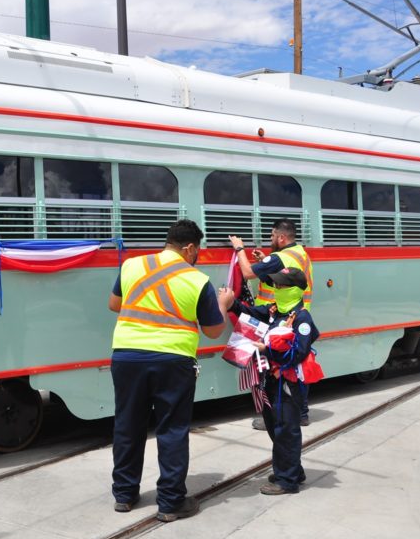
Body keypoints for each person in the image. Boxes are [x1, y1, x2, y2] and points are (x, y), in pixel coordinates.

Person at [108, 219, 225, 522]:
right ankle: (171, 502)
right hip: (173, 360)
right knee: (171, 429)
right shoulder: (197, 280)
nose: (197, 255)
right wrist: (224, 303)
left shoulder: (132, 265)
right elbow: (214, 331)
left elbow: (114, 304)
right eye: (197, 250)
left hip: (127, 355)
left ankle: (124, 494)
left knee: (127, 424)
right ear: (188, 248)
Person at [217, 268, 320, 495]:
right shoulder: (274, 311)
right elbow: (250, 312)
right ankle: (292, 470)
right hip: (270, 381)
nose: (277, 290)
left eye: (282, 286)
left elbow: (299, 353)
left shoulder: (302, 318)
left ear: (295, 289)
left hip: (288, 383)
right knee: (275, 426)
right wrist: (232, 302)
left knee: (286, 429)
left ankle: (287, 481)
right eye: (276, 286)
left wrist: (268, 349)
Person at [229, 219, 314, 426]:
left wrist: (239, 248)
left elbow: (248, 273)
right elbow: (284, 274)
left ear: (281, 237)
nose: (271, 239)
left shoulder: (280, 257)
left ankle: (279, 417)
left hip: (279, 318)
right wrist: (266, 260)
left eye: (272, 236)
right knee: (295, 367)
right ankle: (300, 413)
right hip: (293, 313)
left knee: (275, 368)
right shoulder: (299, 252)